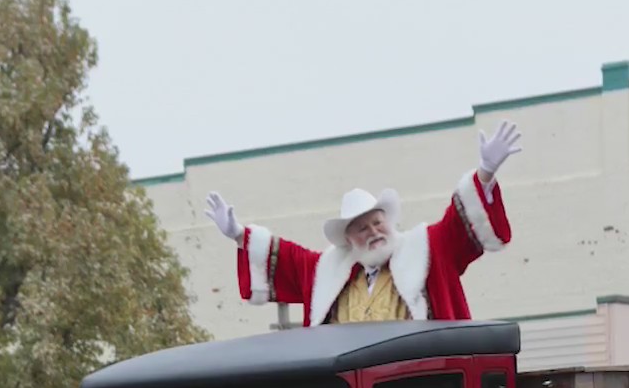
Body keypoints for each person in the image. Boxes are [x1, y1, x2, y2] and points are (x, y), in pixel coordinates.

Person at [202, 121, 523, 326]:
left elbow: (457, 223)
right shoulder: (330, 270)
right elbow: (289, 258)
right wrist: (239, 235)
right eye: (361, 228)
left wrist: (484, 173)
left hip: (419, 385)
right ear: (348, 239)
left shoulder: (426, 248)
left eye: (377, 222)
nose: (373, 232)